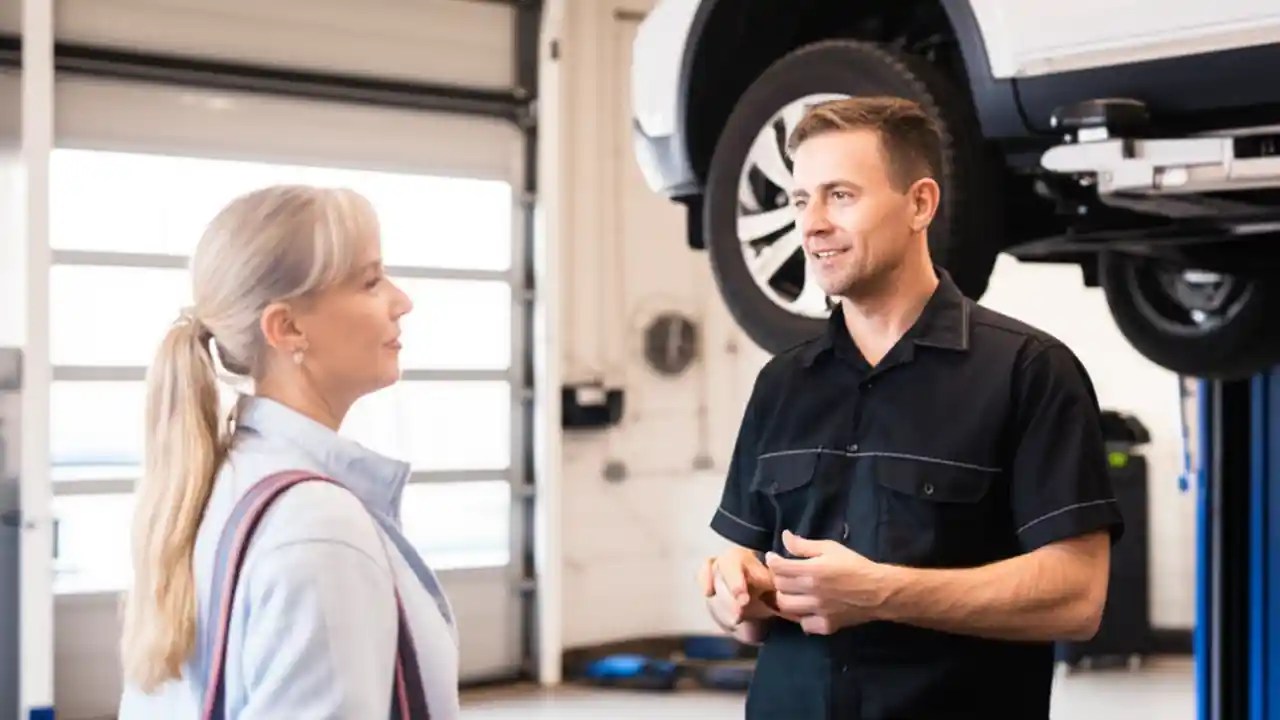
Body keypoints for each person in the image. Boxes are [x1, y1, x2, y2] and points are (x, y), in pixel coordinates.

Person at [698, 97, 1123, 719]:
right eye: (799, 200)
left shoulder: (1028, 371)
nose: (811, 224)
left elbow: (1076, 598)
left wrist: (882, 593)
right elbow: (744, 602)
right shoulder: (782, 384)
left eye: (839, 195)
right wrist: (735, 590)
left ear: (920, 203)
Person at [117, 185, 460, 718]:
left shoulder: (218, 482)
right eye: (370, 281)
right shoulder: (318, 526)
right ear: (288, 327)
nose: (401, 301)